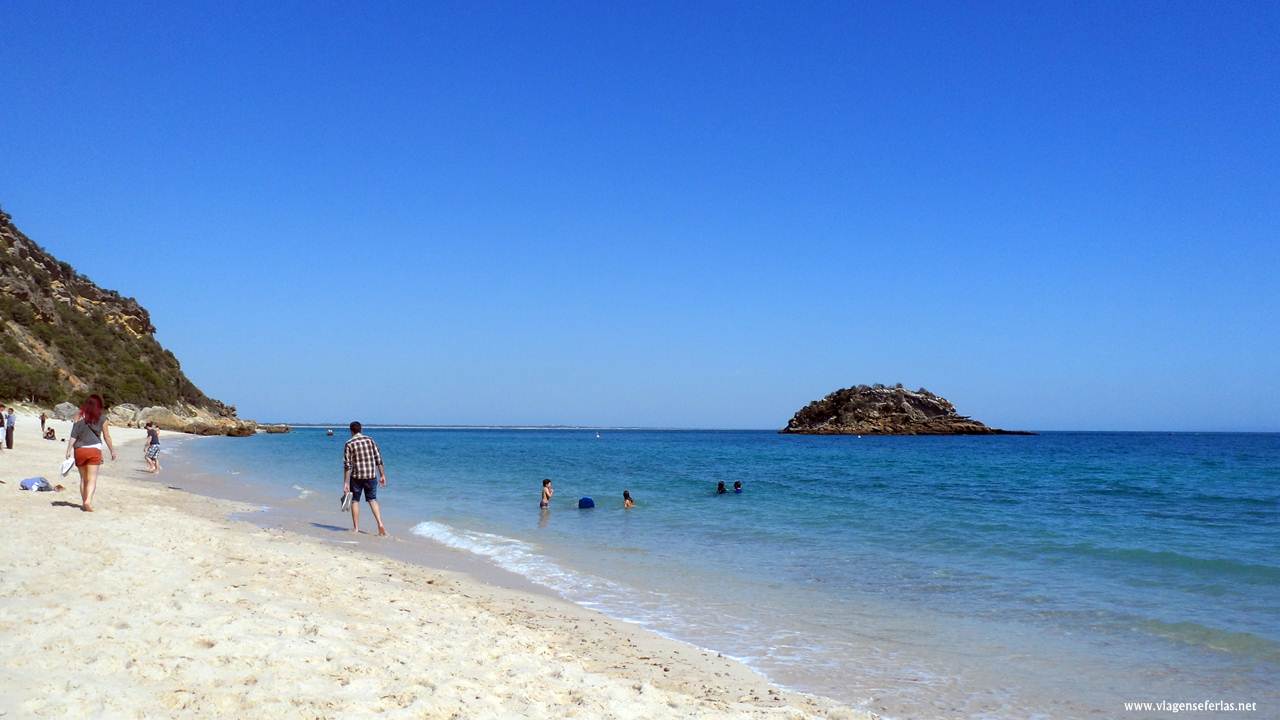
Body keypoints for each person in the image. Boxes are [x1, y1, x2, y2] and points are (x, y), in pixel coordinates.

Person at [65, 394, 117, 512]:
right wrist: (112, 450)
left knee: (83, 479)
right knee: (92, 478)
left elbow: (74, 435)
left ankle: (84, 503)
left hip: (79, 450)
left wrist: (68, 450)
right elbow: (107, 436)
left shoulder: (78, 416)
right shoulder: (102, 418)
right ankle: (88, 501)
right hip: (94, 450)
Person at [342, 421, 388, 536]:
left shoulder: (349, 443)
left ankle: (356, 528)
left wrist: (346, 482)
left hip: (357, 477)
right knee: (372, 499)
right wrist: (382, 475)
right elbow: (378, 459)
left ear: (351, 431)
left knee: (354, 501)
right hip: (371, 476)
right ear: (361, 429)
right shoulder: (370, 440)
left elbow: (348, 465)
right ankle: (380, 524)